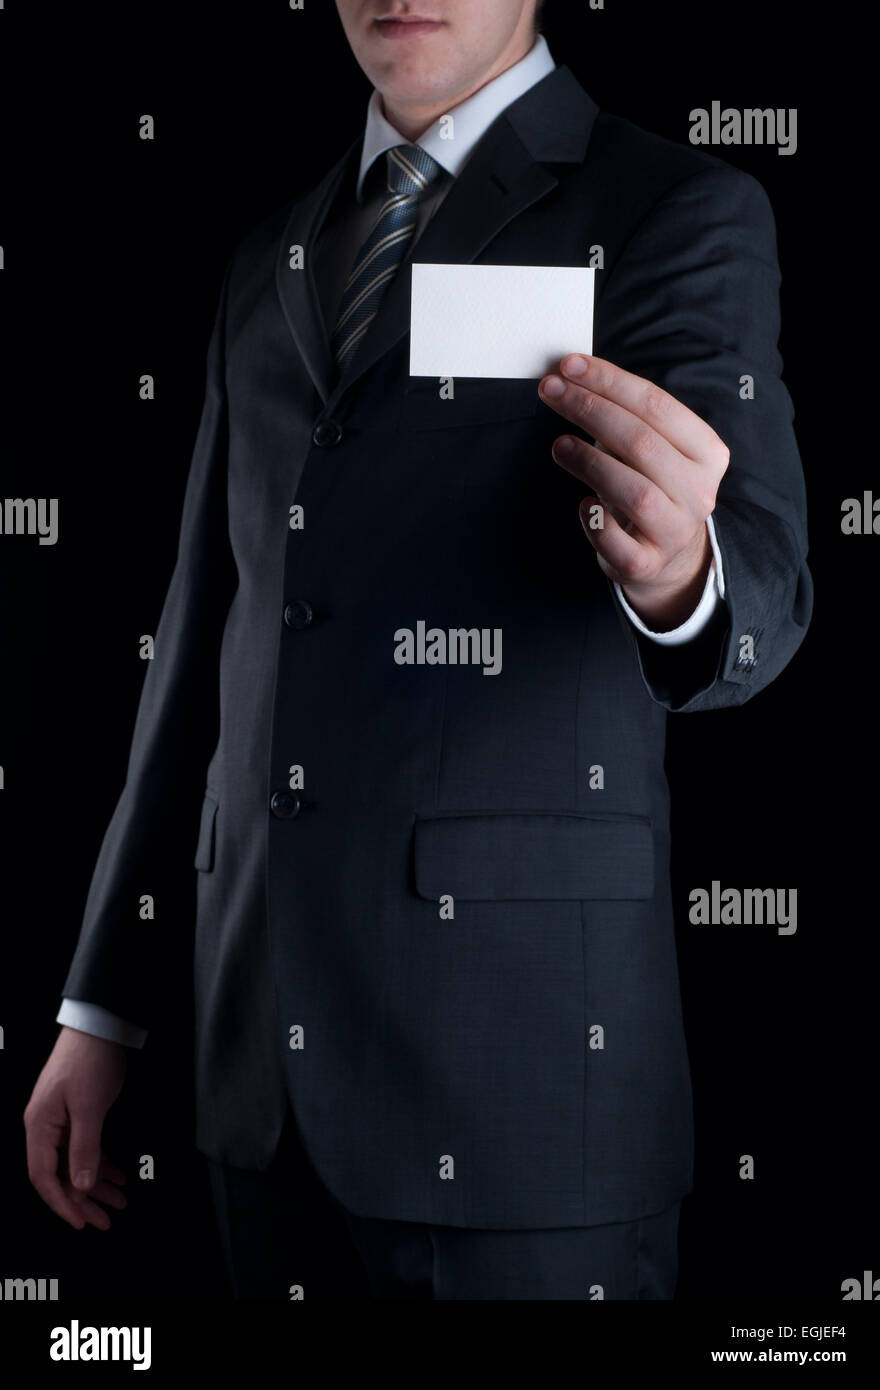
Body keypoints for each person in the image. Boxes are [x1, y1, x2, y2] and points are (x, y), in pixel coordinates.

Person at [24, 0, 811, 1300]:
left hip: (527, 1102)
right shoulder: (267, 255)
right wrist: (98, 1007)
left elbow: (765, 572)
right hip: (256, 1088)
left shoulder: (679, 207)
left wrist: (683, 573)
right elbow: (206, 645)